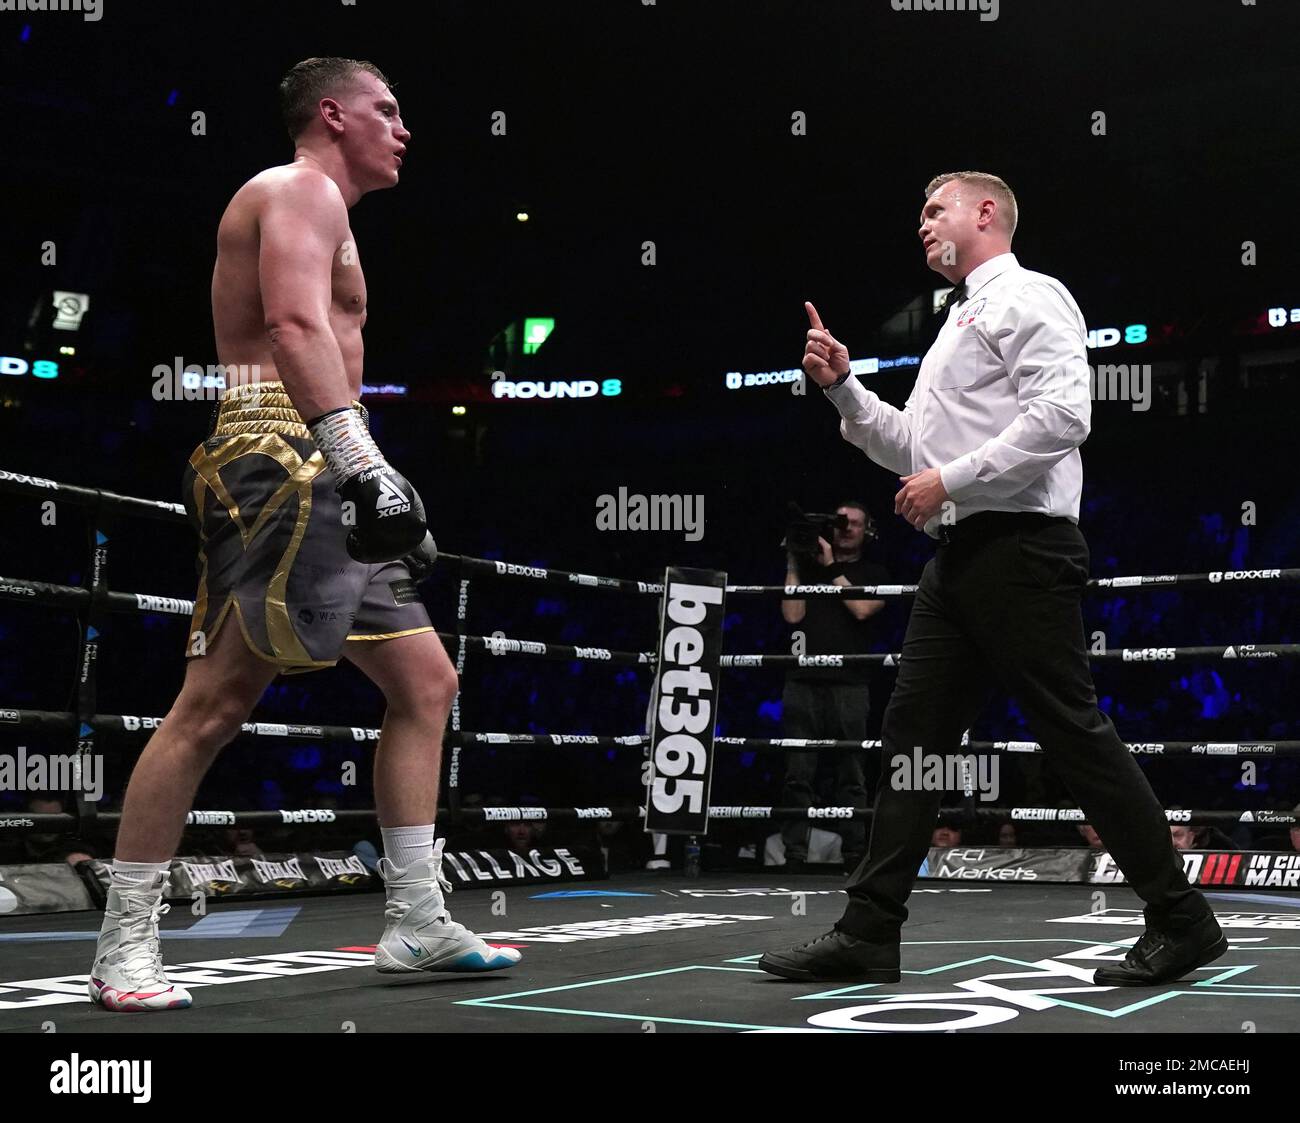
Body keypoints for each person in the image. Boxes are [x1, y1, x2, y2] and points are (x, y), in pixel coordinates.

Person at [89, 57, 518, 1013]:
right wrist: (361, 463)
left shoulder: (329, 205)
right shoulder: (296, 187)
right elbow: (289, 325)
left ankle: (414, 919)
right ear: (332, 114)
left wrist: (365, 463)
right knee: (215, 701)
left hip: (325, 449)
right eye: (387, 109)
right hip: (277, 456)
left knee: (427, 681)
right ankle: (123, 942)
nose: (403, 129)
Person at [760, 170, 1225, 987]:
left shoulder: (1029, 295)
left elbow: (1064, 415)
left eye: (934, 207)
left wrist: (955, 479)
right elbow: (912, 449)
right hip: (961, 558)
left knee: (1072, 734)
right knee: (913, 745)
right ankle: (870, 929)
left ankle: (1182, 918)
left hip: (1022, 549)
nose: (921, 223)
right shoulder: (955, 323)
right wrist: (844, 388)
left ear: (986, 212)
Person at [779, 502, 888, 871]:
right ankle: (794, 853)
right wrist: (795, 559)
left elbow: (861, 609)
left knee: (851, 772)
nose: (845, 529)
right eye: (839, 523)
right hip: (802, 679)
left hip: (850, 683)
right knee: (798, 772)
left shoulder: (875, 571)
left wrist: (830, 567)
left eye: (853, 523)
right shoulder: (808, 568)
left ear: (867, 530)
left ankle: (855, 853)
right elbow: (792, 617)